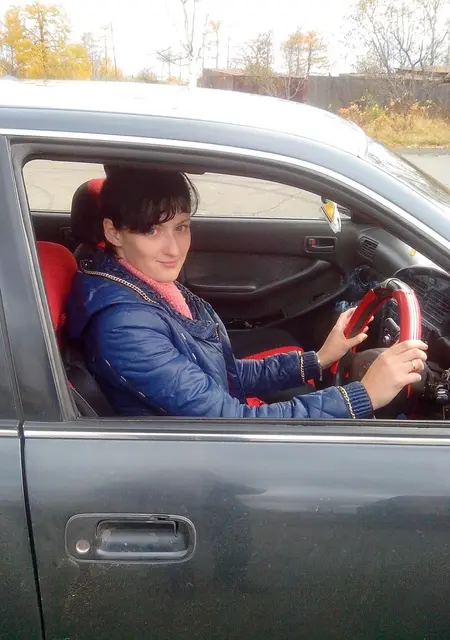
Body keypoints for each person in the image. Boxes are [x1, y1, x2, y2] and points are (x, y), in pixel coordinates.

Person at [66, 168, 428, 419]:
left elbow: (221, 373)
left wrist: (318, 359)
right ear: (113, 233)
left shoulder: (145, 286)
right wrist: (363, 396)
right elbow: (233, 421)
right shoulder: (125, 327)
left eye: (181, 227)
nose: (174, 249)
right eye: (151, 231)